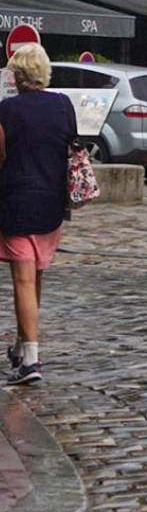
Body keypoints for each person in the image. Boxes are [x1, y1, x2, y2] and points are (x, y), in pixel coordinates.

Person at [0, 45, 77, 387]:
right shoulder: (63, 105)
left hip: (16, 201)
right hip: (52, 203)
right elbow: (71, 146)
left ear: (18, 75)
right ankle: (21, 345)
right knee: (36, 275)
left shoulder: (7, 109)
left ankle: (30, 359)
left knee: (23, 280)